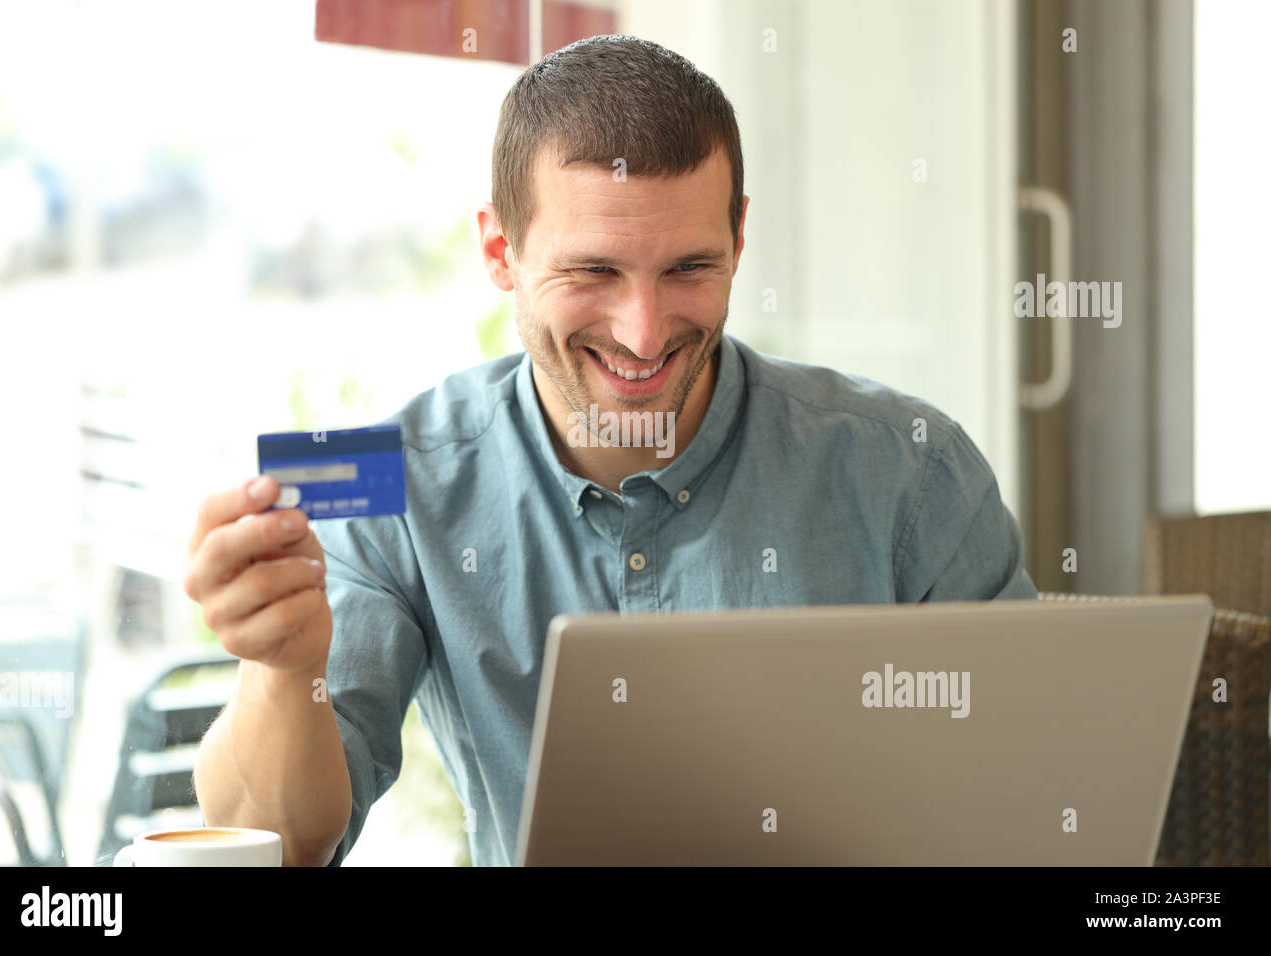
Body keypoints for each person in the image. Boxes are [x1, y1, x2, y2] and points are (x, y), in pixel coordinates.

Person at [187, 34, 1037, 867]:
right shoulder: (401, 485)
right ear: (501, 254)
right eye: (593, 273)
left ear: (741, 240)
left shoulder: (911, 476)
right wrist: (279, 669)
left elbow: (1031, 796)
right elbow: (282, 850)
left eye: (689, 269)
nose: (643, 333)